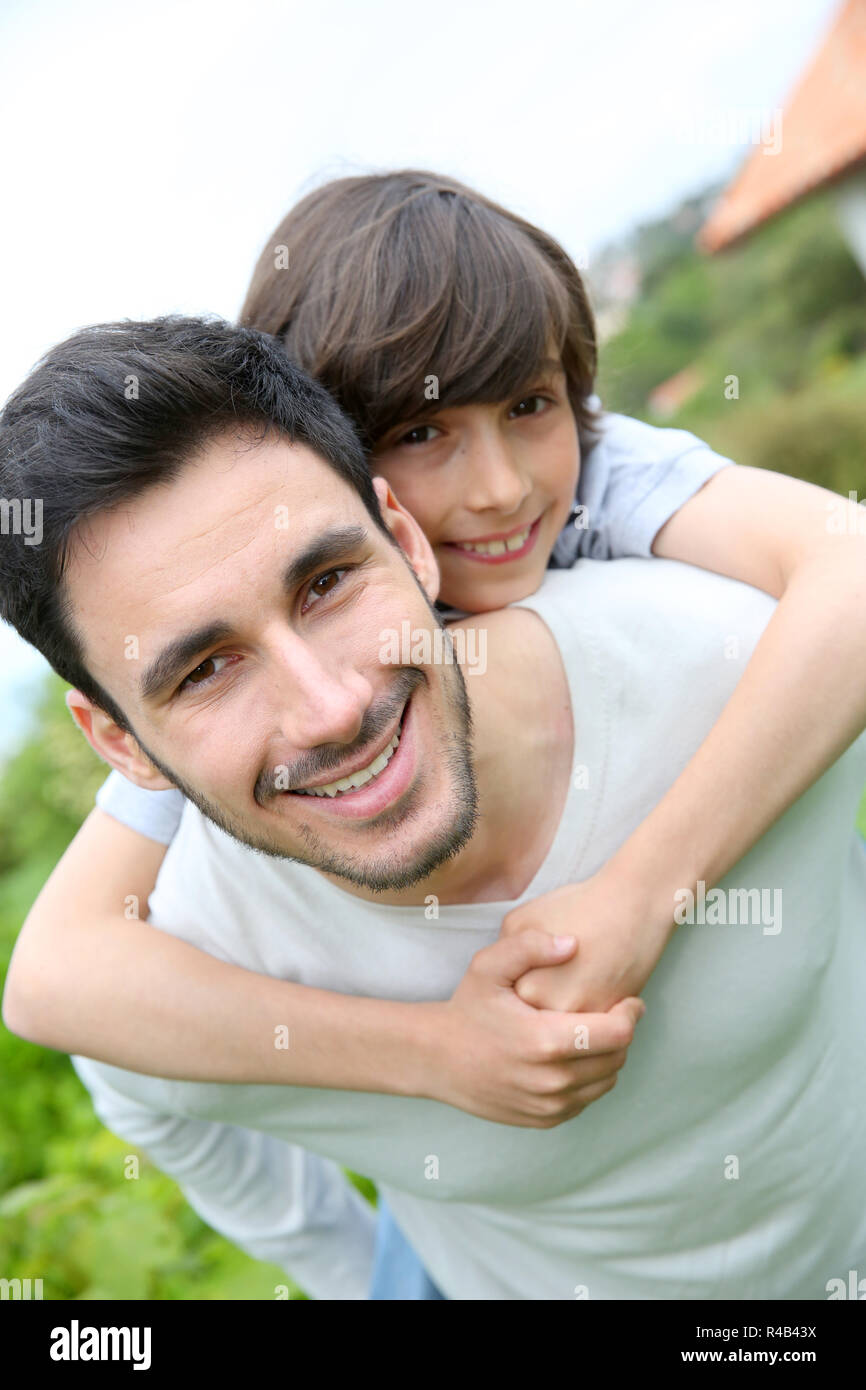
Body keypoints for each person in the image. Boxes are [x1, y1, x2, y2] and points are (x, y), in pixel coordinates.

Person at [2, 317, 865, 1300]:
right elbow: (130, 1083)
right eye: (206, 670)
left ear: (404, 538)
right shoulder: (187, 981)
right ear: (120, 742)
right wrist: (358, 1270)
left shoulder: (734, 668)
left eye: (326, 582)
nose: (330, 710)